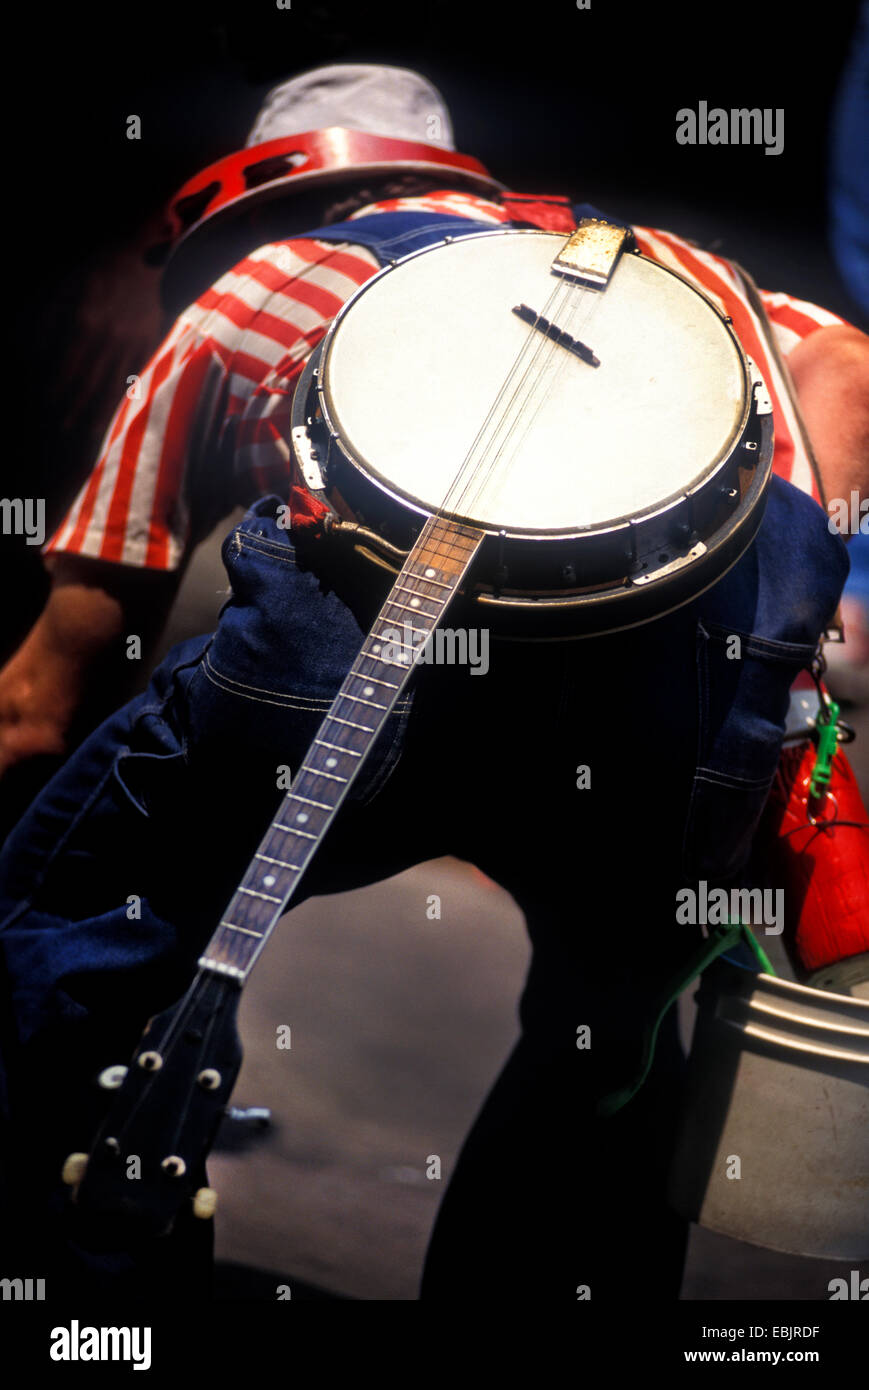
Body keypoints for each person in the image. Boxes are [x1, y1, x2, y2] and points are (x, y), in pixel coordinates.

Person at [0, 64, 866, 1302]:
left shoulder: (251, 291)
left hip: (341, 669)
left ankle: (86, 1275)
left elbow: (43, 700)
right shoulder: (678, 277)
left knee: (77, 914)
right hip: (669, 714)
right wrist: (792, 604)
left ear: (261, 205)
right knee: (604, 1053)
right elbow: (844, 356)